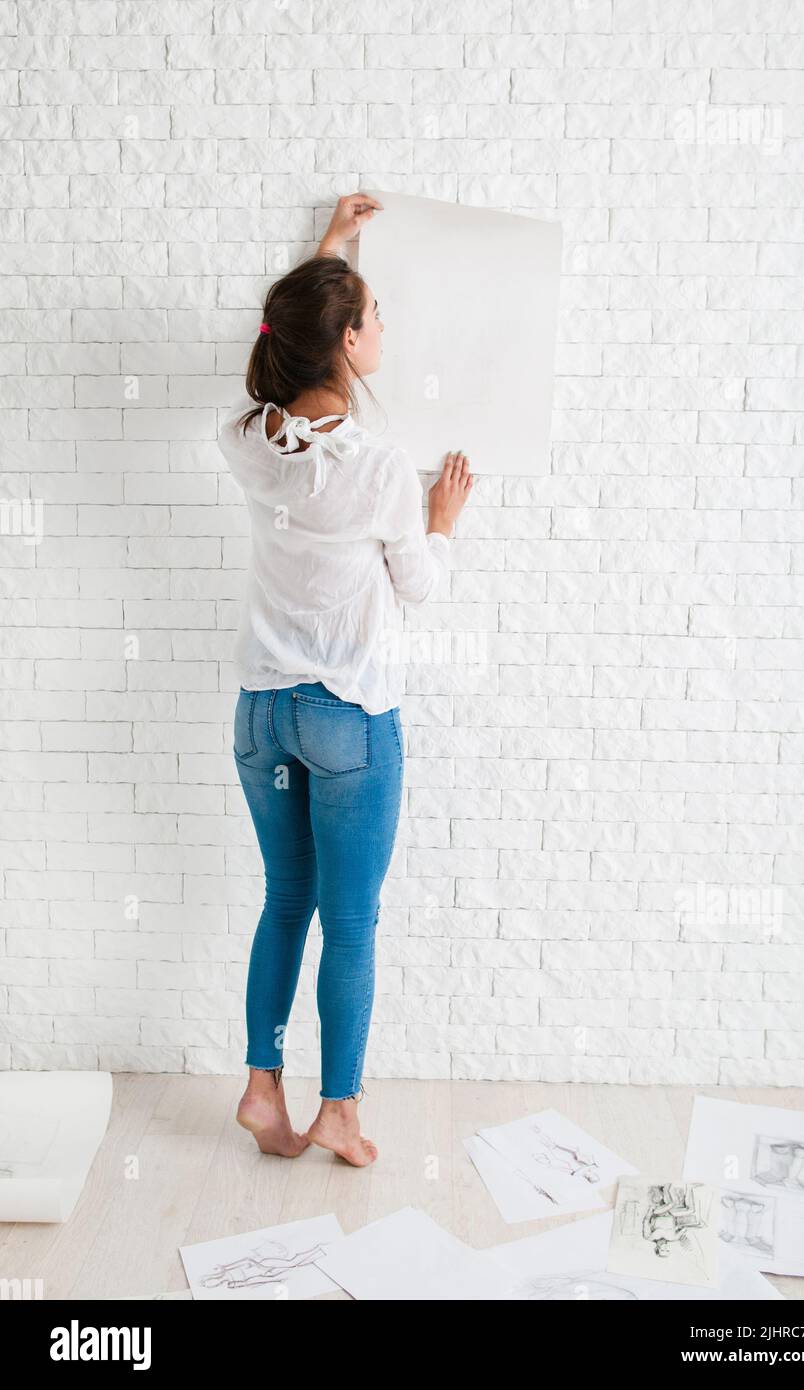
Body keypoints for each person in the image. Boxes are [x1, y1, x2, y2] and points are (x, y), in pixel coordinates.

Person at [218, 193, 473, 1167]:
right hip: (344, 719)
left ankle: (259, 1084)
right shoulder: (376, 466)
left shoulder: (244, 442)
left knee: (287, 899)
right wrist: (442, 516)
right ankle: (338, 1111)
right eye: (371, 314)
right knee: (350, 919)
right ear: (348, 342)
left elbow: (283, 337)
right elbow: (415, 587)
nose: (384, 328)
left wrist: (325, 253)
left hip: (260, 713)